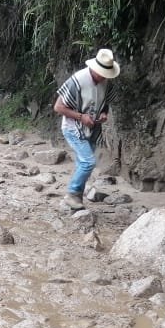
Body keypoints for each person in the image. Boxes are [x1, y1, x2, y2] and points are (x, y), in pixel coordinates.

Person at [53, 47, 120, 209]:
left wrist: (104, 113)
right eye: (102, 73)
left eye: (106, 74)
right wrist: (81, 117)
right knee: (88, 163)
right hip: (73, 128)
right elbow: (58, 107)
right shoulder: (77, 81)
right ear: (94, 68)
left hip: (92, 129)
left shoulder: (105, 81)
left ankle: (75, 201)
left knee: (82, 163)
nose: (104, 77)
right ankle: (71, 194)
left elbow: (106, 103)